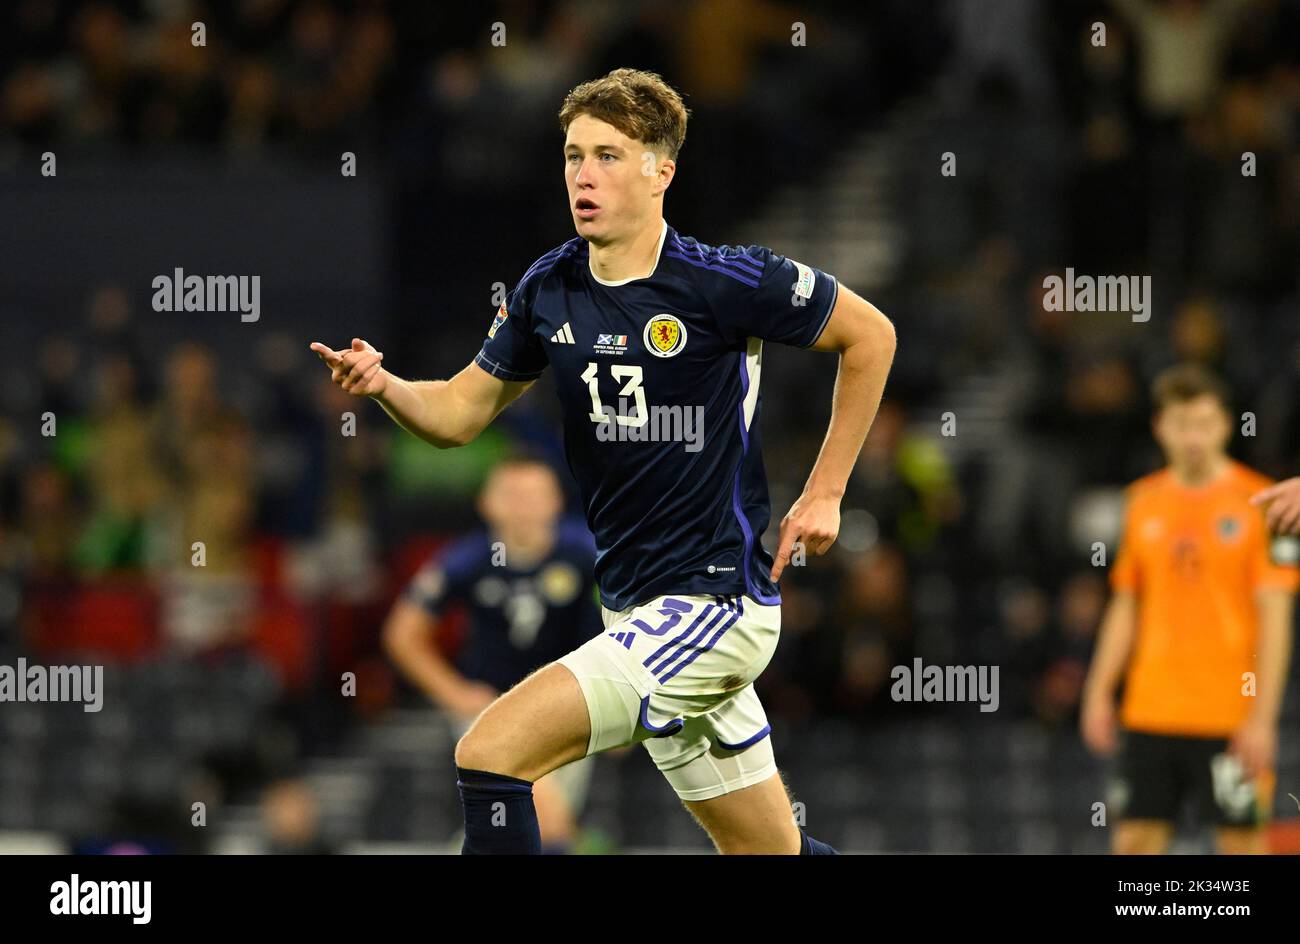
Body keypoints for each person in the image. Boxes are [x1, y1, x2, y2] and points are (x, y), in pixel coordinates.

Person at [312, 68, 896, 854]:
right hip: (633, 606)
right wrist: (384, 385)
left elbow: (872, 337)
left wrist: (825, 493)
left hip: (711, 608)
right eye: (573, 155)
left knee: (490, 752)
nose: (584, 175)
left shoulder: (725, 281)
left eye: (610, 156)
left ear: (663, 171)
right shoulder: (547, 287)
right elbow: (457, 413)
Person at [1081, 364, 1298, 854]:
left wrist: (1262, 718)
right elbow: (1125, 605)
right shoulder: (1141, 502)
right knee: (1134, 843)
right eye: (1182, 424)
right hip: (1150, 712)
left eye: (1204, 423)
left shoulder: (1267, 504)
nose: (1193, 438)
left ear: (1225, 425)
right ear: (1161, 427)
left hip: (1229, 714)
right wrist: (1098, 689)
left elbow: (1277, 619)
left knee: (1242, 848)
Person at [383, 456, 602, 853]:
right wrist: (455, 693)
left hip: (565, 704)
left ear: (556, 501)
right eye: (511, 495)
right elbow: (402, 633)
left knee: (533, 829)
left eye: (534, 495)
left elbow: (633, 615)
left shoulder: (585, 553)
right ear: (487, 503)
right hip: (490, 708)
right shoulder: (466, 559)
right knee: (546, 822)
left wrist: (618, 697)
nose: (522, 507)